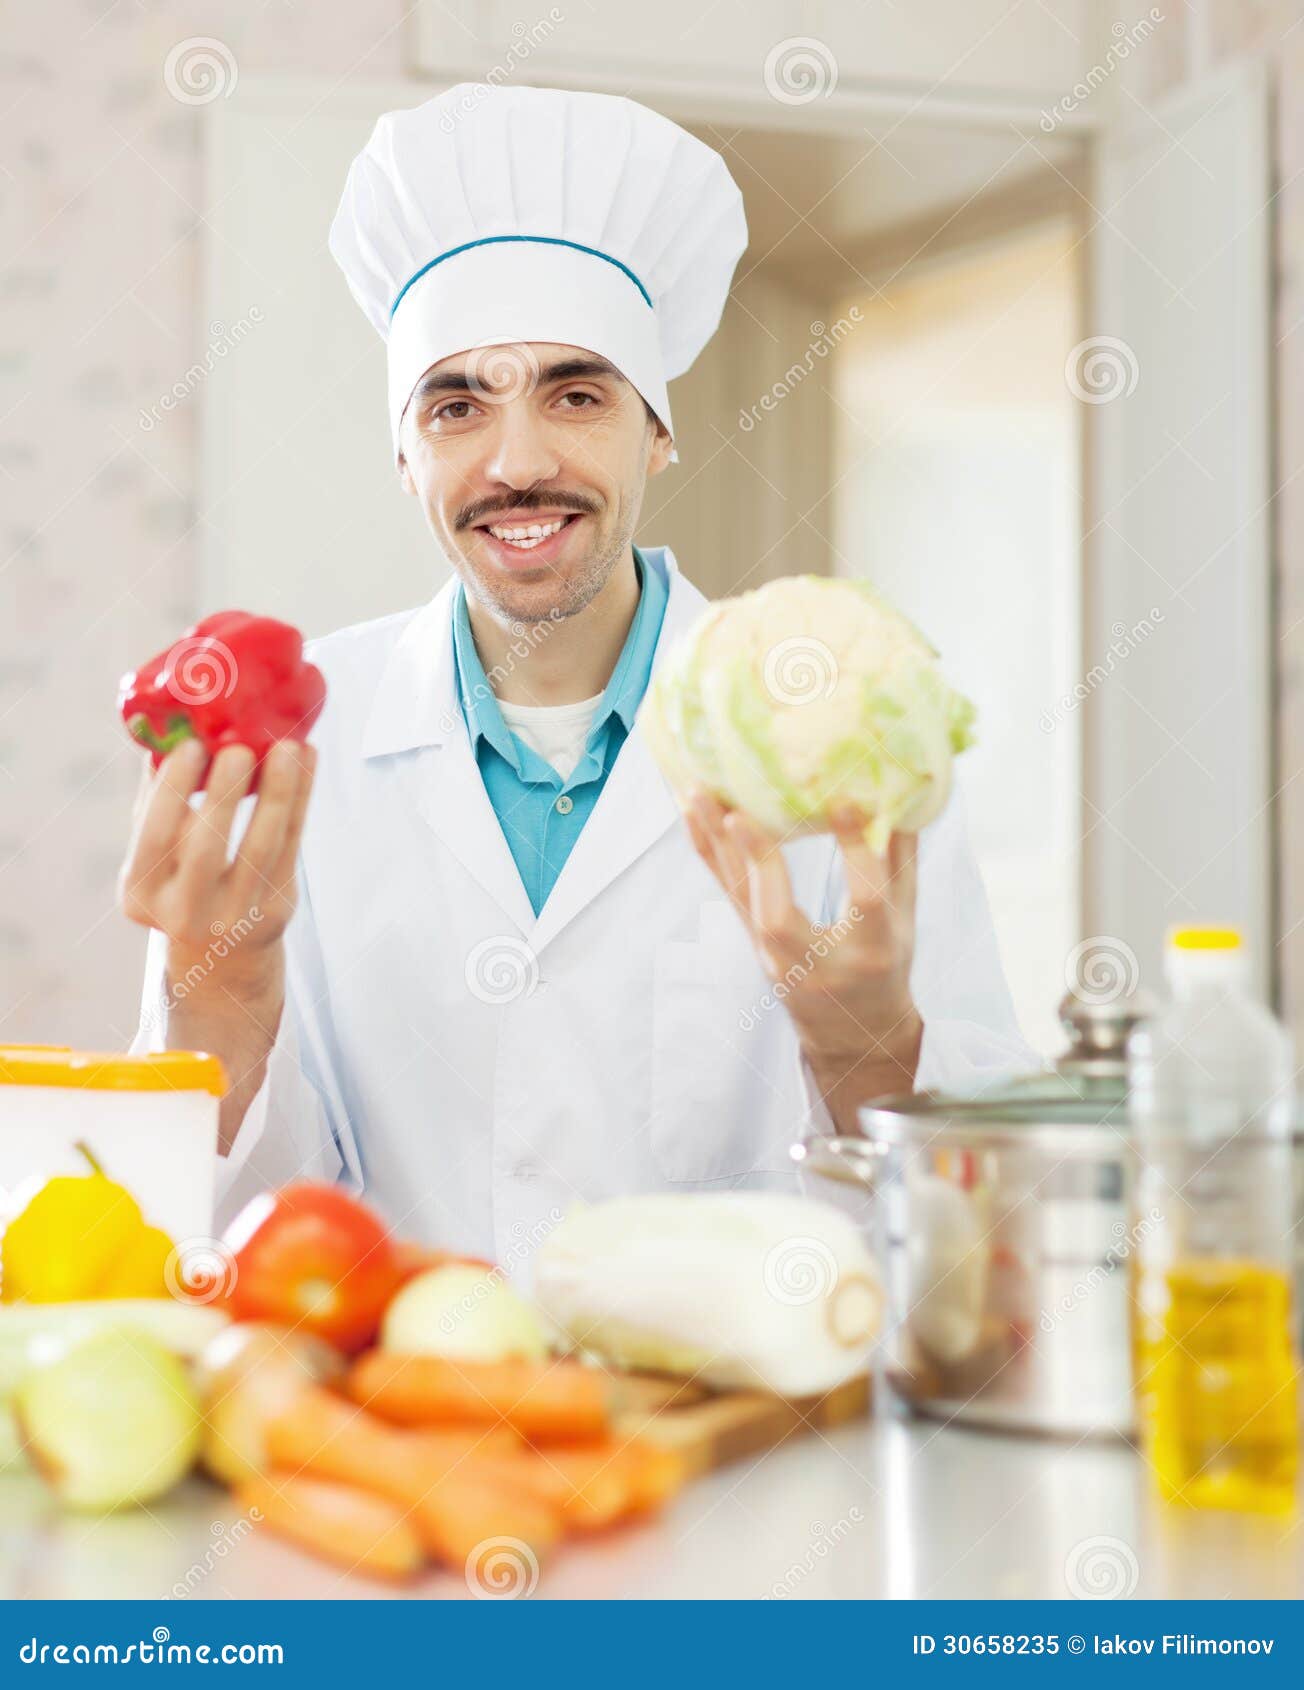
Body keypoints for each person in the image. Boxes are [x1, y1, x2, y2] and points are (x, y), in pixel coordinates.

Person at [122, 85, 1034, 1258]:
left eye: (575, 392)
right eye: (456, 404)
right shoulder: (293, 753)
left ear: (655, 427)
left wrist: (866, 1049)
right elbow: (185, 1240)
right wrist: (219, 1004)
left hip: (755, 1436)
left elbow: (994, 1242)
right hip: (394, 1412)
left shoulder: (839, 732)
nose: (517, 460)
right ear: (405, 455)